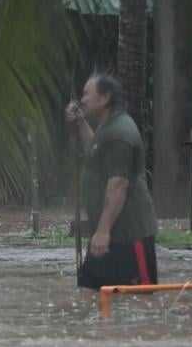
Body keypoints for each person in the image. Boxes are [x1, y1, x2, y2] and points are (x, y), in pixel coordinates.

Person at [65, 72, 158, 289]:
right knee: (87, 290)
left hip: (128, 236)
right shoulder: (107, 128)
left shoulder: (119, 133)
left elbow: (118, 185)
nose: (83, 99)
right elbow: (94, 151)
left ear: (104, 98)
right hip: (106, 237)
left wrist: (103, 231)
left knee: (138, 300)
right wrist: (80, 122)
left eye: (87, 94)